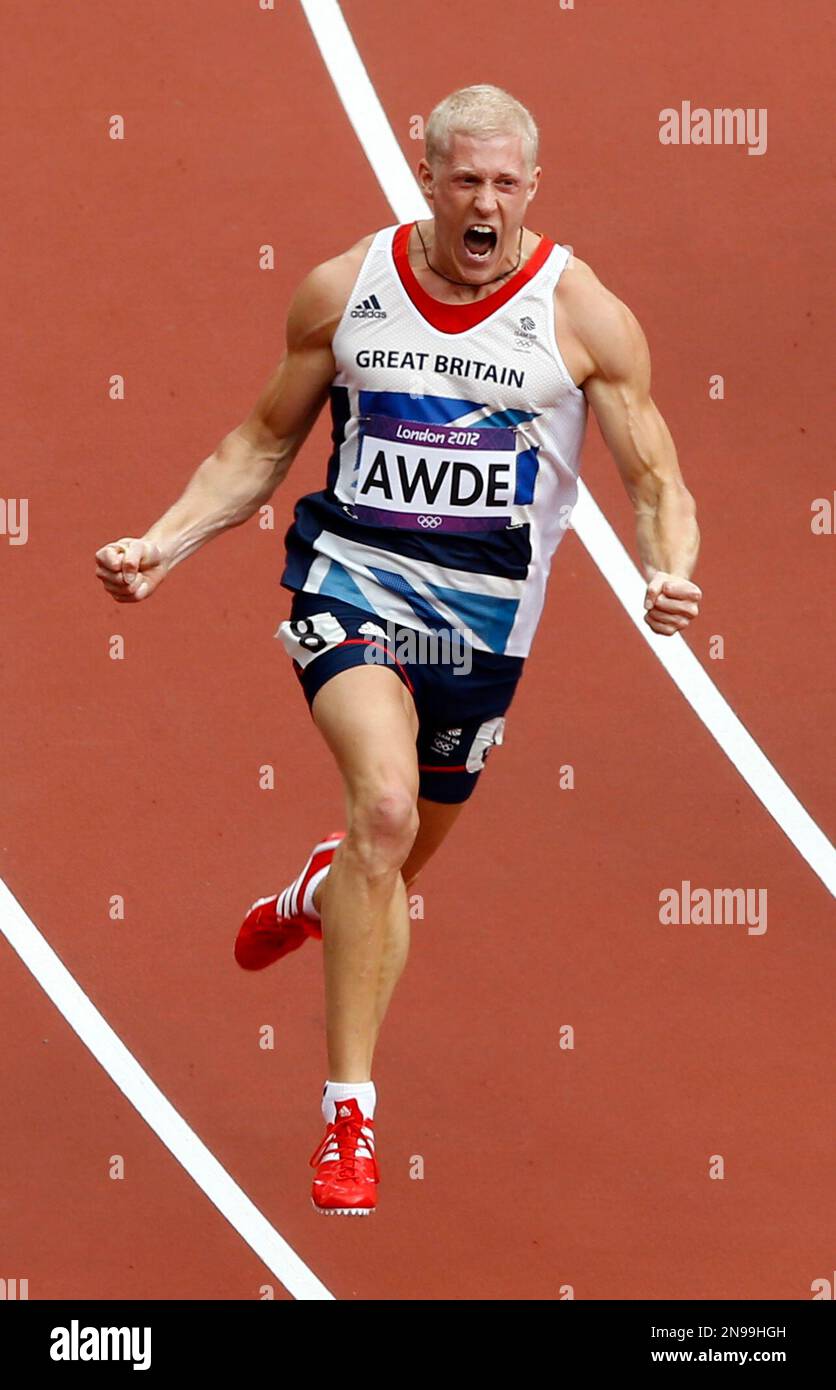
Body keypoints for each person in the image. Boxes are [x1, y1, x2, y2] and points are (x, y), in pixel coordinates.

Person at [95, 85, 702, 1216]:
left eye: (504, 184)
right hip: (348, 586)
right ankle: (348, 1119)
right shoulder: (346, 290)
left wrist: (667, 571)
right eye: (463, 180)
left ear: (533, 186)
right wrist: (163, 541)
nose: (484, 205)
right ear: (426, 179)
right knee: (379, 808)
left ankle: (320, 892)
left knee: (391, 884)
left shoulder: (581, 316)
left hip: (479, 633)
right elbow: (261, 440)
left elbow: (657, 480)